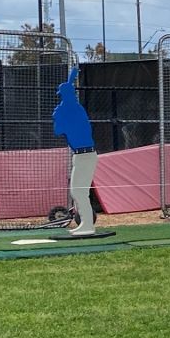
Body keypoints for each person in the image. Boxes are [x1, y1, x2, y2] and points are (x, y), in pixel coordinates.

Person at [51, 67, 100, 236]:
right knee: (77, 191)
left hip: (85, 155)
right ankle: (86, 224)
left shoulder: (74, 110)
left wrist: (58, 117)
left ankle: (87, 225)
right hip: (81, 155)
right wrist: (59, 115)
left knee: (79, 191)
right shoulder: (71, 108)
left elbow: (59, 130)